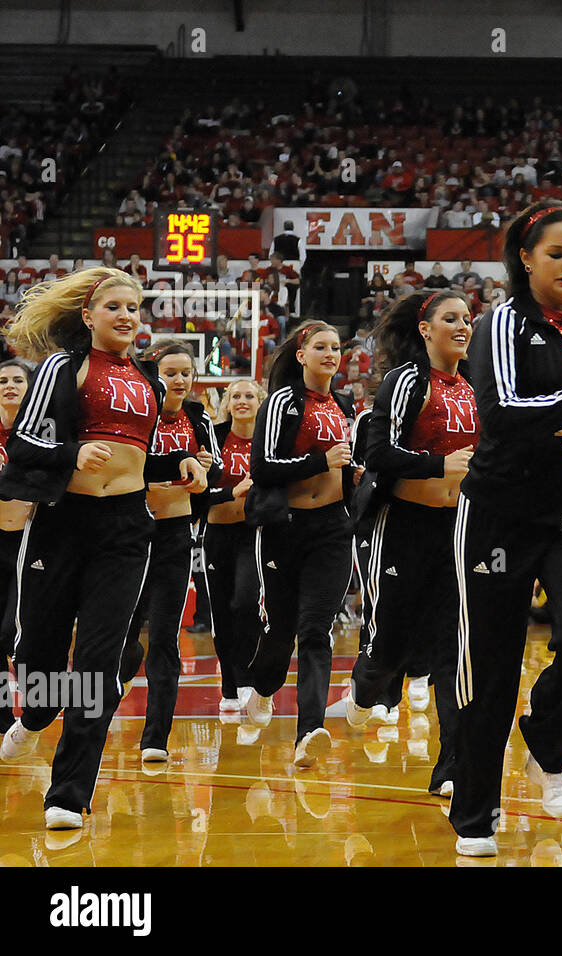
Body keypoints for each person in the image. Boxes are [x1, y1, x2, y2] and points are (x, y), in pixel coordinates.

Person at [449, 200, 562, 857]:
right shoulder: (500, 322)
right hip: (499, 510)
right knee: (489, 668)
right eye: (557, 253)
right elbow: (501, 414)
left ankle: (547, 740)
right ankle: (474, 812)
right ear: (525, 258)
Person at [0, 268, 205, 830]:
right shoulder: (61, 368)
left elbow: (135, 458)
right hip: (62, 522)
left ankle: (68, 793)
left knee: (99, 661)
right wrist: (73, 452)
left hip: (126, 529)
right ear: (88, 317)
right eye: (113, 306)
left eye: (133, 308)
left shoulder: (149, 383)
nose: (126, 316)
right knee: (38, 648)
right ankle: (38, 711)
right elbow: (23, 444)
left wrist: (179, 465)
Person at [342, 289, 476, 800]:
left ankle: (451, 767)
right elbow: (379, 454)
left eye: (467, 318)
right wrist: (441, 465)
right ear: (425, 329)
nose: (463, 325)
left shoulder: (477, 385)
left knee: (451, 653)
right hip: (402, 525)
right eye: (450, 318)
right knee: (390, 645)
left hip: (456, 529)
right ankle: (364, 688)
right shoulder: (407, 381)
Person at [245, 321, 356, 771]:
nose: (331, 354)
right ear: (301, 355)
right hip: (285, 527)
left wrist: (353, 473)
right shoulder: (281, 402)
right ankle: (263, 686)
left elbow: (342, 465)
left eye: (336, 347)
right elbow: (264, 466)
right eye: (321, 347)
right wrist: (321, 461)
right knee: (281, 629)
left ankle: (308, 731)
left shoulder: (345, 404)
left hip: (333, 529)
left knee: (316, 630)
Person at [119, 341, 222, 764]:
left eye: (185, 372)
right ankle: (118, 675)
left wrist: (201, 473)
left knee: (166, 637)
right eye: (169, 372)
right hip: (131, 533)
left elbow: (210, 463)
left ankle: (155, 738)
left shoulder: (198, 417)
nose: (178, 380)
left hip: (176, 534)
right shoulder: (138, 414)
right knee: (125, 635)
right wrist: (180, 461)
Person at [203, 377, 264, 716]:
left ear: (260, 401)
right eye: (236, 396)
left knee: (245, 601)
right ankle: (229, 685)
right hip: (218, 534)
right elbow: (200, 492)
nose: (242, 401)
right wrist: (232, 491)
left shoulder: (268, 440)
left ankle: (246, 676)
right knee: (222, 613)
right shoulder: (215, 438)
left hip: (254, 535)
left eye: (249, 396)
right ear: (227, 403)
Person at [0, 360, 32, 735]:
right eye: (3, 380)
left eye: (18, 379)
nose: (10, 385)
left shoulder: (40, 430)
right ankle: (5, 720)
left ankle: (37, 701)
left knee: (12, 630)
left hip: (30, 541)